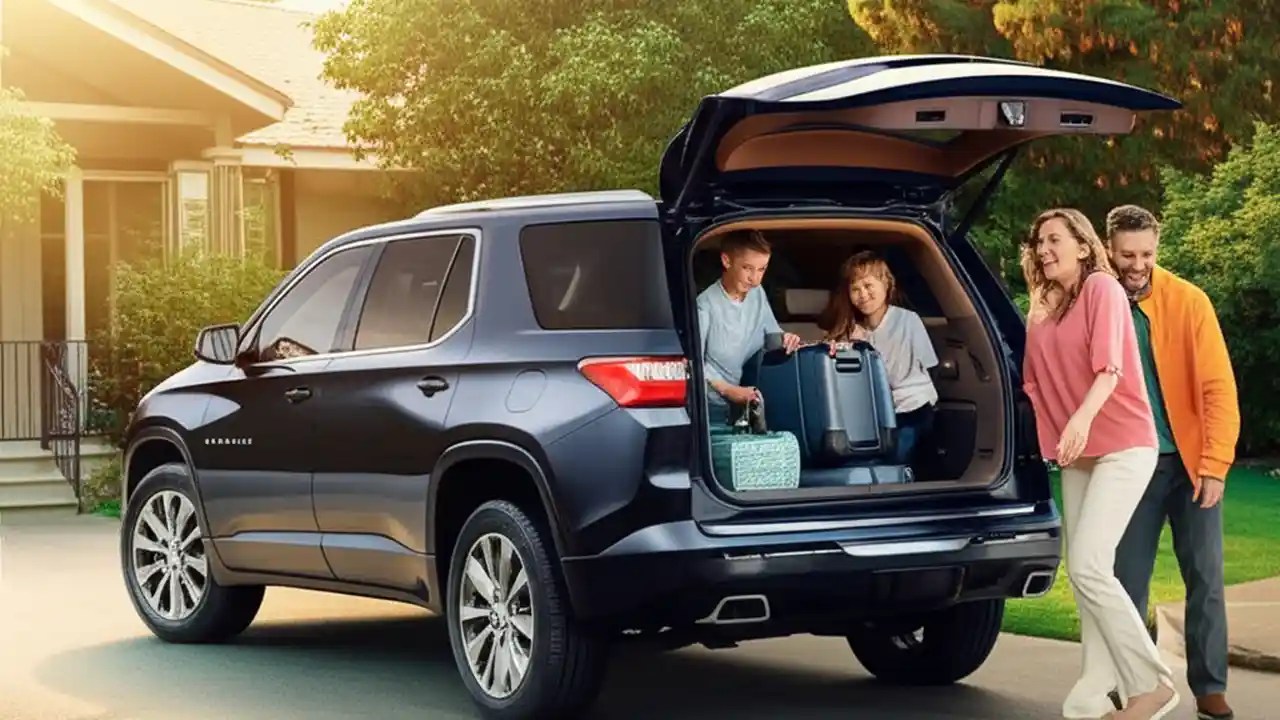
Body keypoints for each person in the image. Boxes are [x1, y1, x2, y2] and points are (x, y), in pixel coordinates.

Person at [1020, 208, 1178, 720]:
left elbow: (1109, 369)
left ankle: (1150, 684)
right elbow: (1035, 382)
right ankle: (1095, 682)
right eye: (1039, 241)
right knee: (1085, 569)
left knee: (1089, 562)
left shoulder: (1103, 290)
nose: (1044, 248)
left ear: (1084, 247)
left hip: (1124, 444)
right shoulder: (1041, 304)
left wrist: (1079, 422)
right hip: (1077, 449)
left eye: (1054, 239)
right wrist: (1057, 436)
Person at [1106, 204, 1240, 720]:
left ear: (1156, 249)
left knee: (1205, 577)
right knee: (1125, 583)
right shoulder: (1099, 303)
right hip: (1129, 465)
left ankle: (1210, 688)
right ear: (1109, 248)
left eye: (1146, 254)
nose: (1137, 264)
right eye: (1127, 255)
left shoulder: (1189, 302)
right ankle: (1134, 688)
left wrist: (1214, 466)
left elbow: (1217, 389)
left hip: (1189, 465)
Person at [816, 250, 939, 467]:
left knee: (897, 458)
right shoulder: (850, 332)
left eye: (868, 285)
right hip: (871, 412)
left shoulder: (907, 320)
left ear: (886, 284)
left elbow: (930, 365)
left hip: (911, 406)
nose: (862, 294)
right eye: (855, 289)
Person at [698, 230, 801, 426]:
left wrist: (787, 339)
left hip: (745, 405)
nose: (755, 279)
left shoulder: (757, 294)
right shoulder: (705, 305)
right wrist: (729, 391)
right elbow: (694, 364)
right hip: (709, 408)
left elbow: (771, 336)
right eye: (748, 268)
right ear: (727, 261)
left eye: (762, 269)